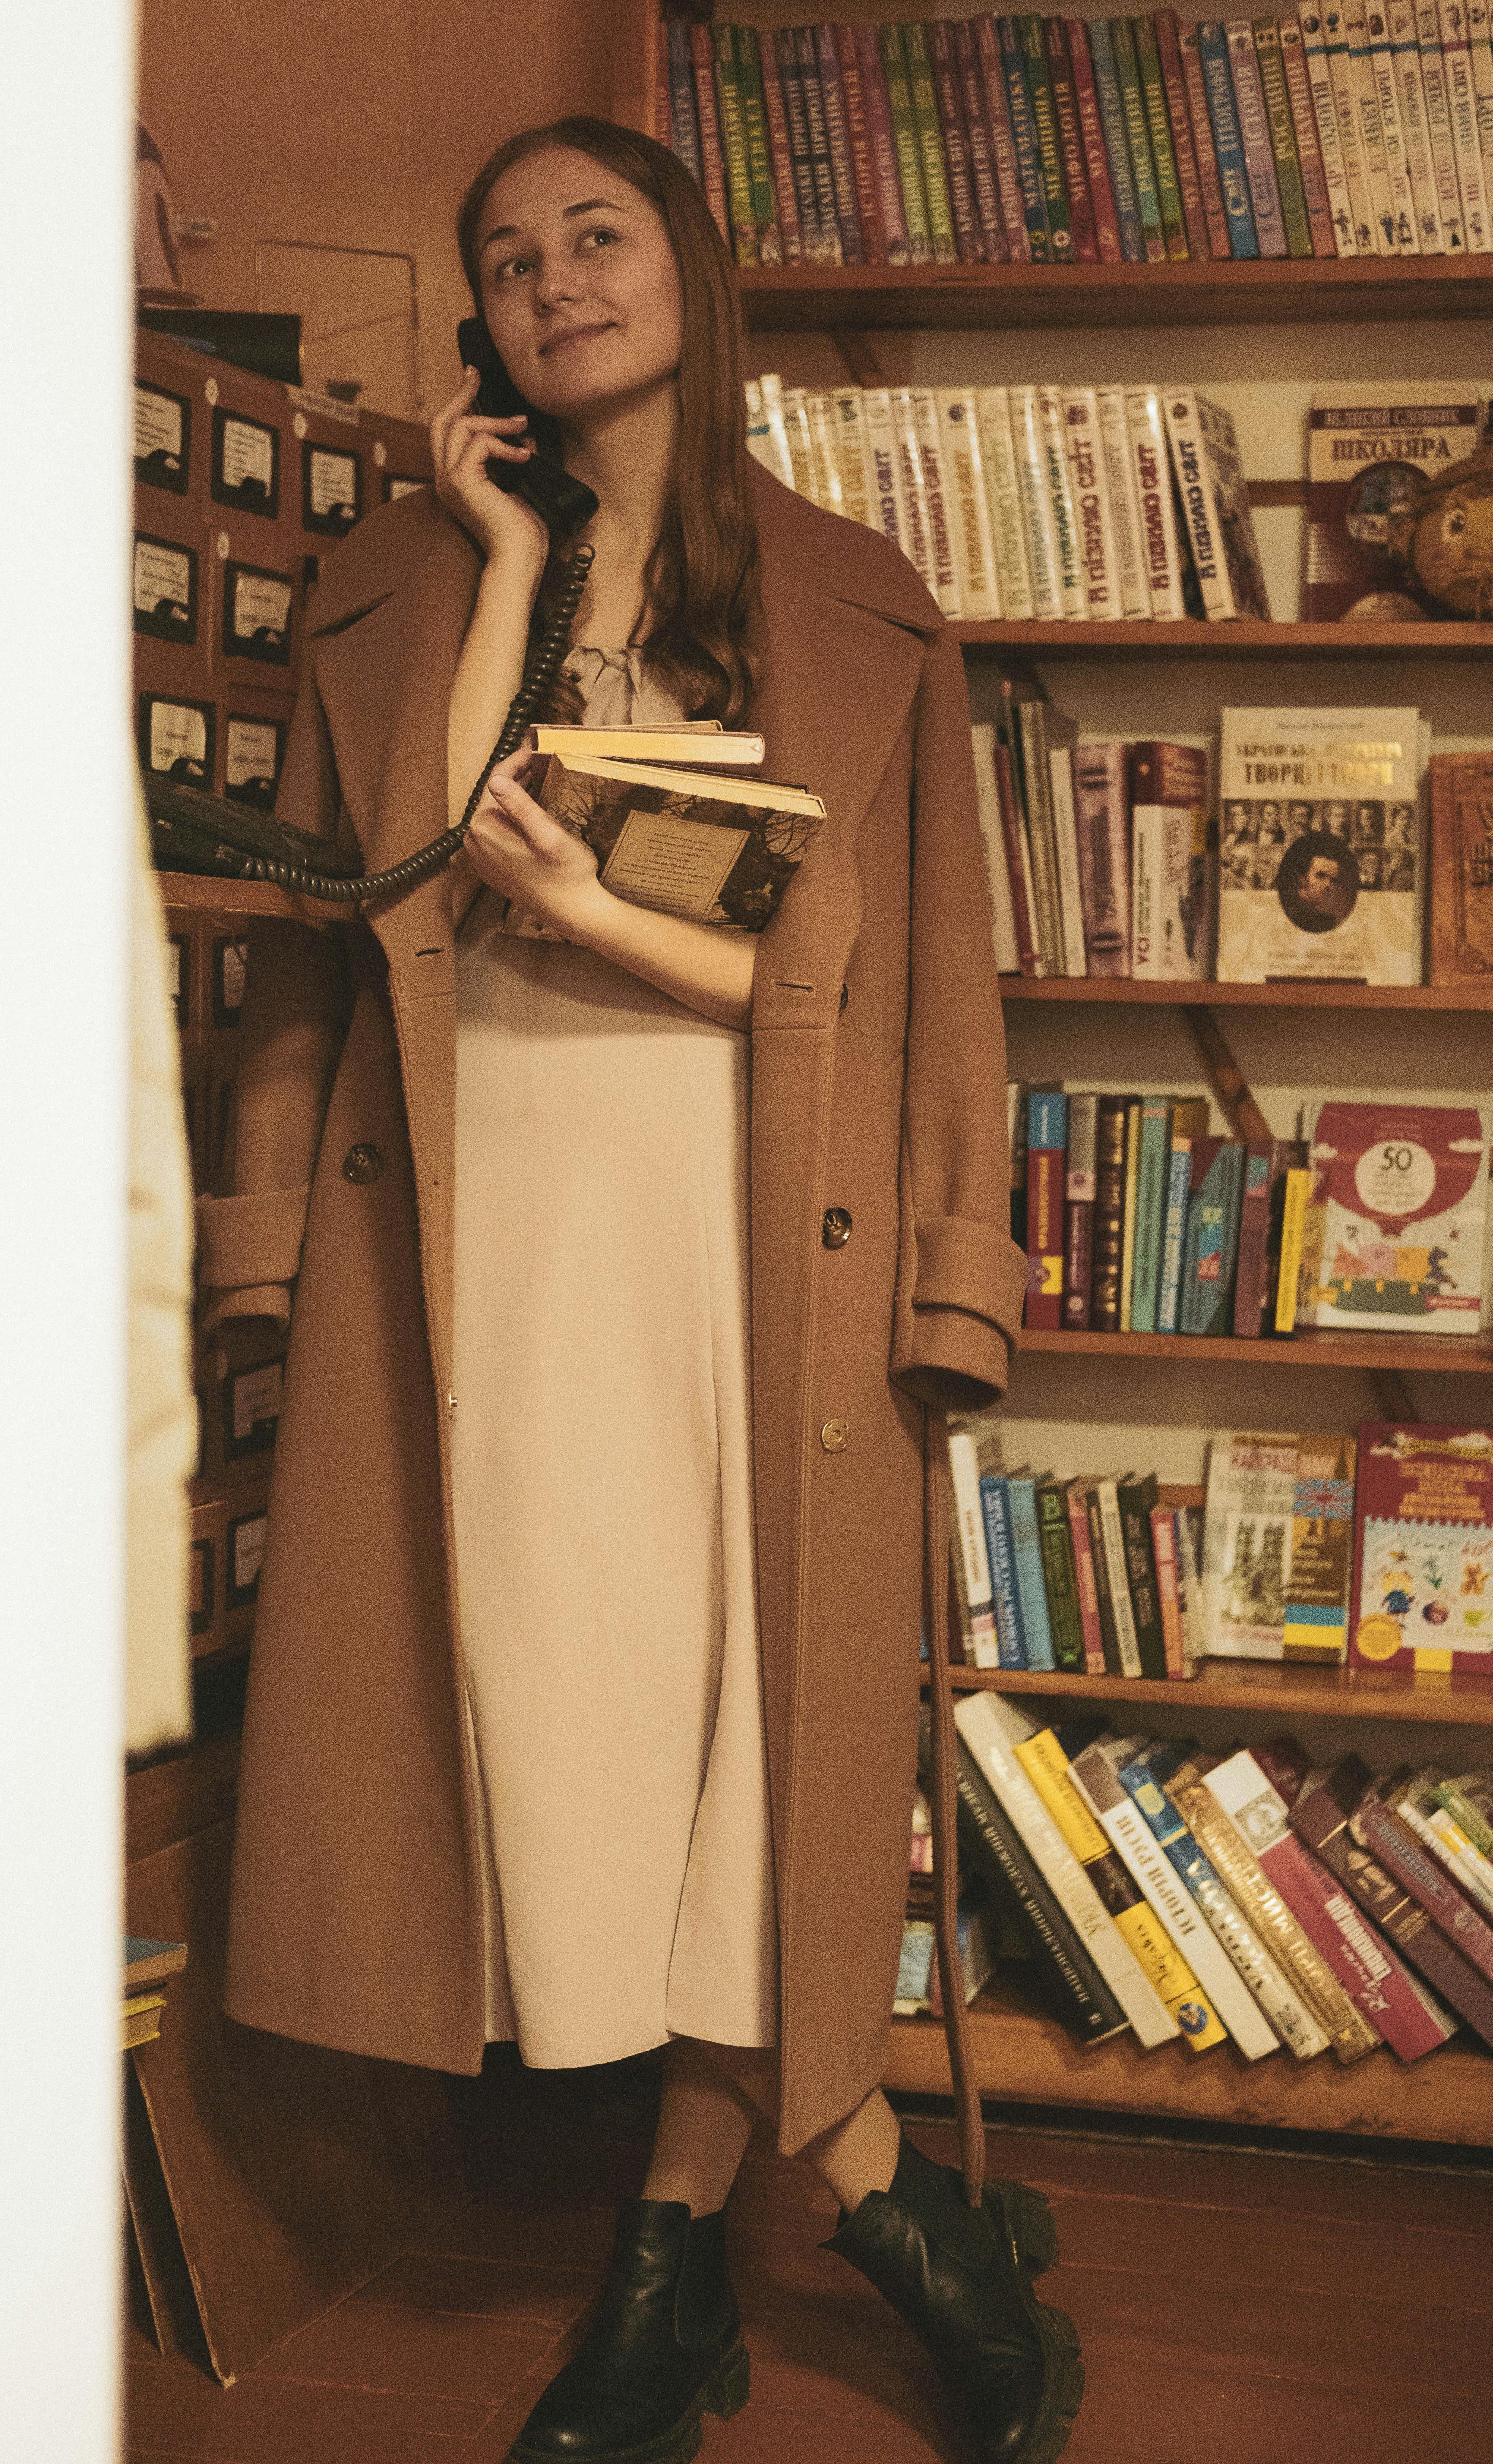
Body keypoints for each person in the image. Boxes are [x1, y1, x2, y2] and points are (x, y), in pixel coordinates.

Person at [194, 118, 1080, 2464]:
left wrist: (953, 1282)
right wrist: (506, 553)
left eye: (598, 236)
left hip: (750, 1230)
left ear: (688, 264)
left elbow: (902, 985)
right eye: (506, 260)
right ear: (481, 327)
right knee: (566, 1724)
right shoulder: (401, 584)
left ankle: (688, 2267)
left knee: (743, 1741)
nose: (554, 282)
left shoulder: (856, 599)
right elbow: (369, 917)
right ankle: (871, 2215)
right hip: (471, 1235)